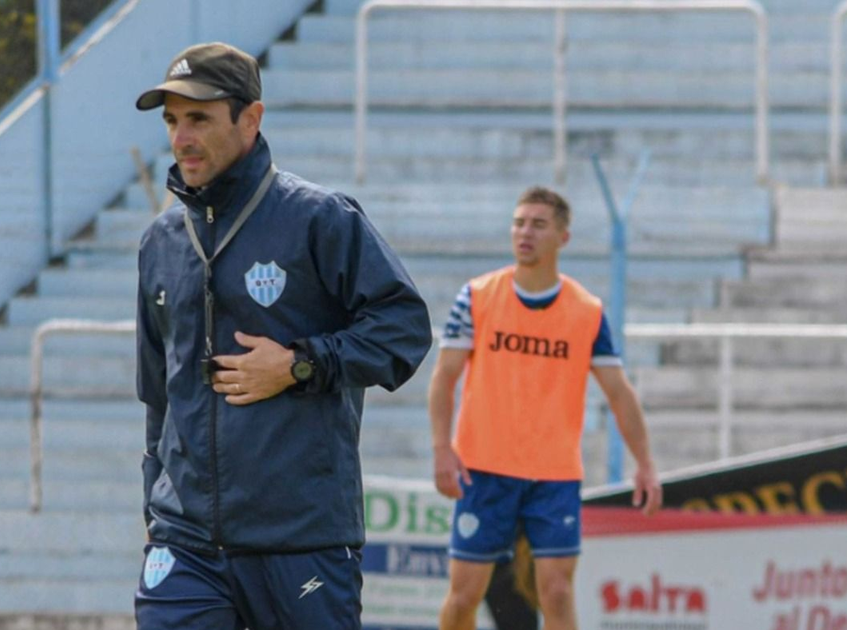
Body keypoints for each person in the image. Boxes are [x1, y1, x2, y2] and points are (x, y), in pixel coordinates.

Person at [133, 42, 432, 630]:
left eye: (199, 119)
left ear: (251, 119)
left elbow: (404, 328)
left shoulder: (319, 218)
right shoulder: (160, 242)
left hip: (301, 540)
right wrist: (155, 502)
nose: (181, 138)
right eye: (172, 121)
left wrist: (301, 363)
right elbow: (157, 392)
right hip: (184, 541)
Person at [427, 186, 662, 630]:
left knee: (556, 591)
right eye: (519, 223)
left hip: (554, 475)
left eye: (538, 224)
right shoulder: (477, 296)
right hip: (484, 469)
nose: (525, 233)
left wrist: (645, 464)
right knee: (462, 597)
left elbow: (619, 392)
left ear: (563, 237)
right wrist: (442, 448)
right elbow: (444, 377)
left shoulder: (586, 311)